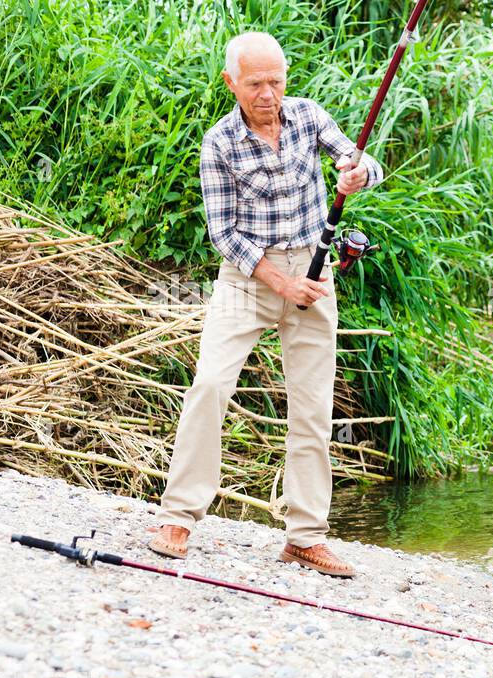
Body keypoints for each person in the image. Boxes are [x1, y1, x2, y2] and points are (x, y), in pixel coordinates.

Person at [147, 31, 383, 577]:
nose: (268, 94)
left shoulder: (307, 115)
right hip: (248, 278)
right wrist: (280, 283)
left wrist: (359, 173)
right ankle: (179, 517)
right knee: (210, 384)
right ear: (231, 82)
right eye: (255, 83)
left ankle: (305, 537)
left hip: (314, 271)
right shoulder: (219, 143)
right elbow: (223, 233)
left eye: (275, 81)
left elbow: (363, 159)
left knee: (313, 407)